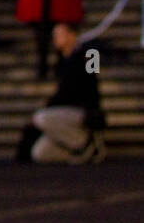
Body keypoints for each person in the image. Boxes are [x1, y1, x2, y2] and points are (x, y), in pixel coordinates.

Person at [17, 23, 105, 163]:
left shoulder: (88, 54)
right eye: (55, 35)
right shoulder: (62, 61)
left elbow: (91, 84)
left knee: (42, 118)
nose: (56, 39)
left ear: (72, 35)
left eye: (60, 34)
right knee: (39, 153)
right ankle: (81, 153)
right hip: (65, 113)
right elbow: (61, 93)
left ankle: (85, 144)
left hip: (83, 111)